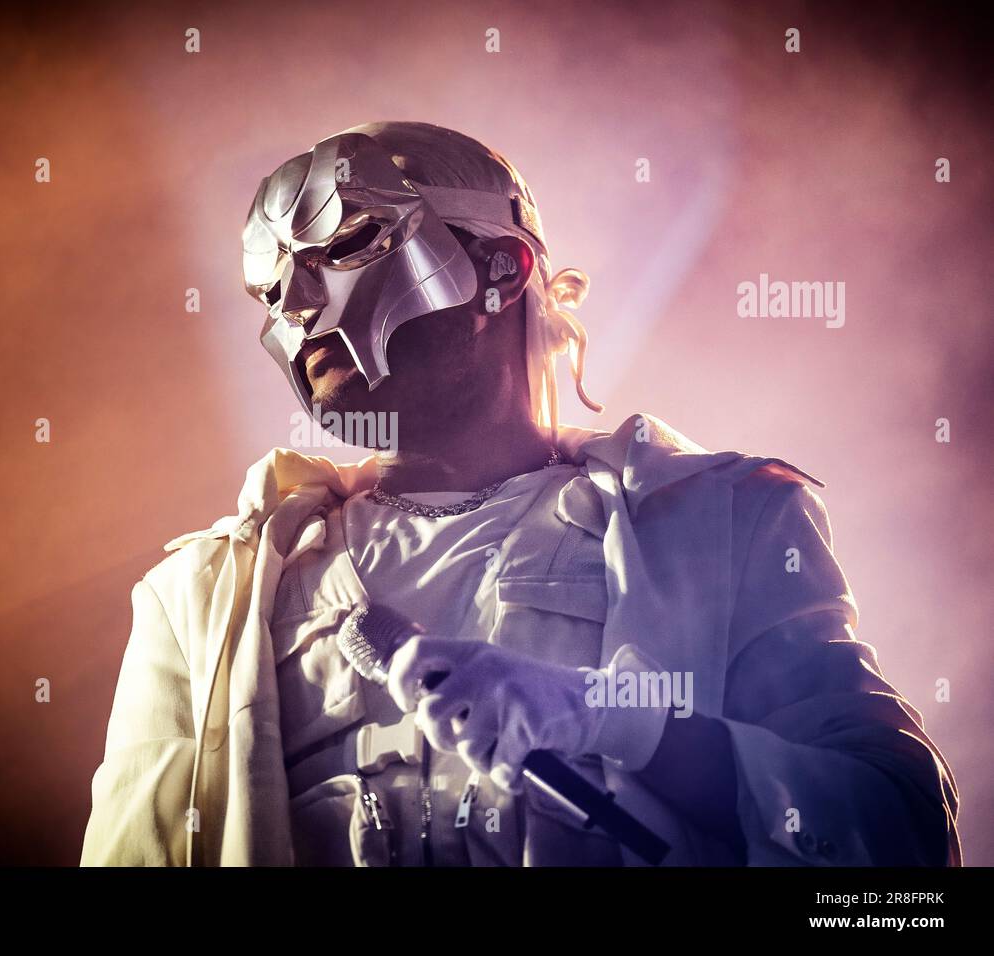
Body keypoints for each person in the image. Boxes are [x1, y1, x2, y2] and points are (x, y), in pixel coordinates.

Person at [80, 122, 960, 866]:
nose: (297, 305)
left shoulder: (723, 521)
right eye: (270, 286)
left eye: (347, 245)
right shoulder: (203, 600)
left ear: (501, 271)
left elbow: (900, 837)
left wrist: (622, 724)